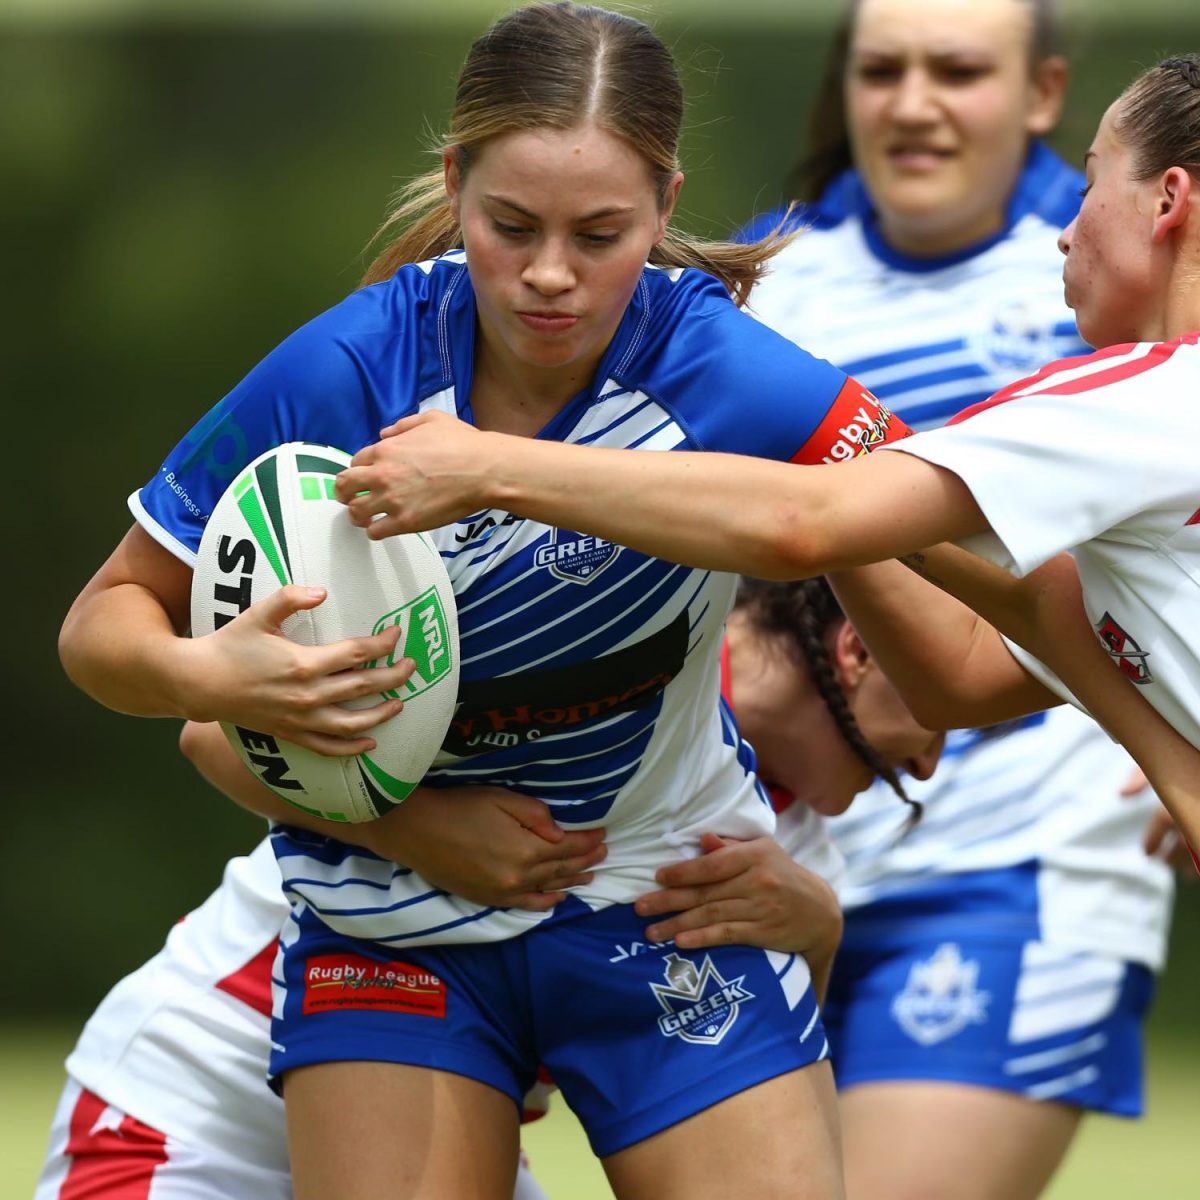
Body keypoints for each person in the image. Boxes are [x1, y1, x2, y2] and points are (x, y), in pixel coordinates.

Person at [56, 5, 922, 1197]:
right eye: (511, 227)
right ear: (457, 183)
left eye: (603, 233)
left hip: (659, 899)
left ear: (666, 207)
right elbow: (103, 626)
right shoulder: (346, 367)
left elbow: (954, 523)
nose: (551, 274)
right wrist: (215, 674)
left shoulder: (727, 370)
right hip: (389, 925)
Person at [346, 51, 1200, 859]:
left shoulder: (1146, 398)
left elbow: (805, 524)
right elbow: (964, 678)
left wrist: (492, 467)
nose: (1064, 231)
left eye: (1088, 182)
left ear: (1167, 201)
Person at [39, 577, 940, 1199]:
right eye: (939, 702)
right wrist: (420, 832)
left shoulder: (799, 850)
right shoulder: (594, 635)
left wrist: (817, 934)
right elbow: (215, 735)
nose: (937, 757)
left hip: (432, 1127)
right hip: (198, 1111)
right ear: (857, 647)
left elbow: (763, 1070)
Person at [735, 2, 1175, 1197]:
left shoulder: (1119, 274)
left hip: (1024, 869)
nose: (913, 101)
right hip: (787, 851)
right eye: (882, 69)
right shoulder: (759, 281)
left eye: (958, 70)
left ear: (1041, 92)